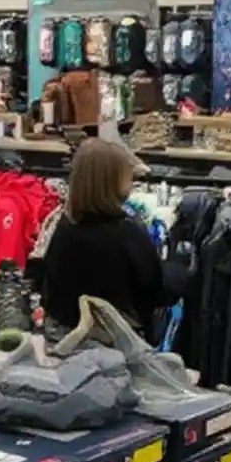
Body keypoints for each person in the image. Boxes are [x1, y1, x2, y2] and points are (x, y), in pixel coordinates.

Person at [42, 138, 185, 336]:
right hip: (116, 340)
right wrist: (182, 270)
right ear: (114, 182)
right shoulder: (127, 233)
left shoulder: (64, 227)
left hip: (63, 335)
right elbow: (156, 292)